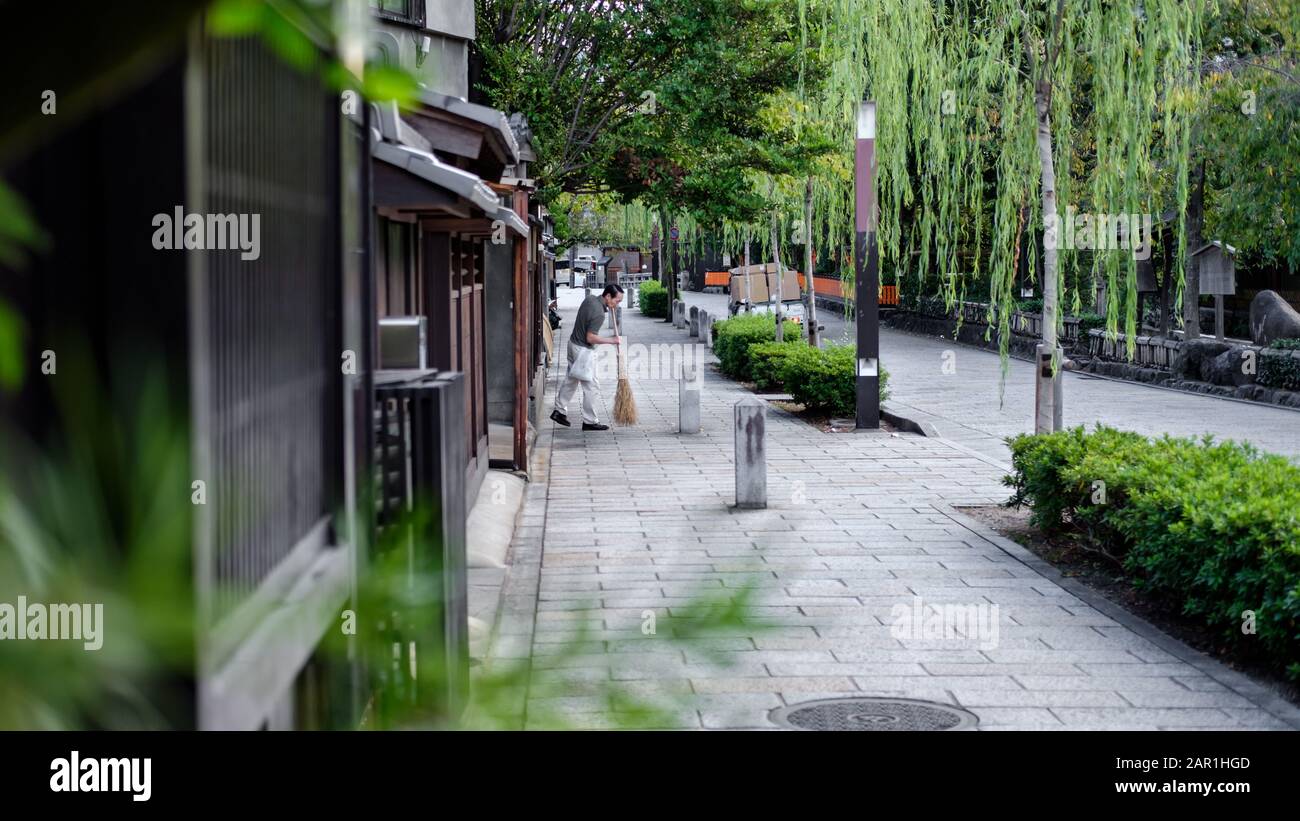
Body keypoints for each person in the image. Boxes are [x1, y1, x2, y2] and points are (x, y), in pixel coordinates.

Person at [551, 284, 623, 431]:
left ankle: (559, 410)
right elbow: (590, 338)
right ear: (608, 296)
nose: (617, 304)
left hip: (572, 344)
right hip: (582, 351)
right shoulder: (599, 314)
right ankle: (590, 421)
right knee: (592, 386)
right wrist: (612, 340)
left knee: (572, 379)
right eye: (617, 301)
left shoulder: (590, 299)